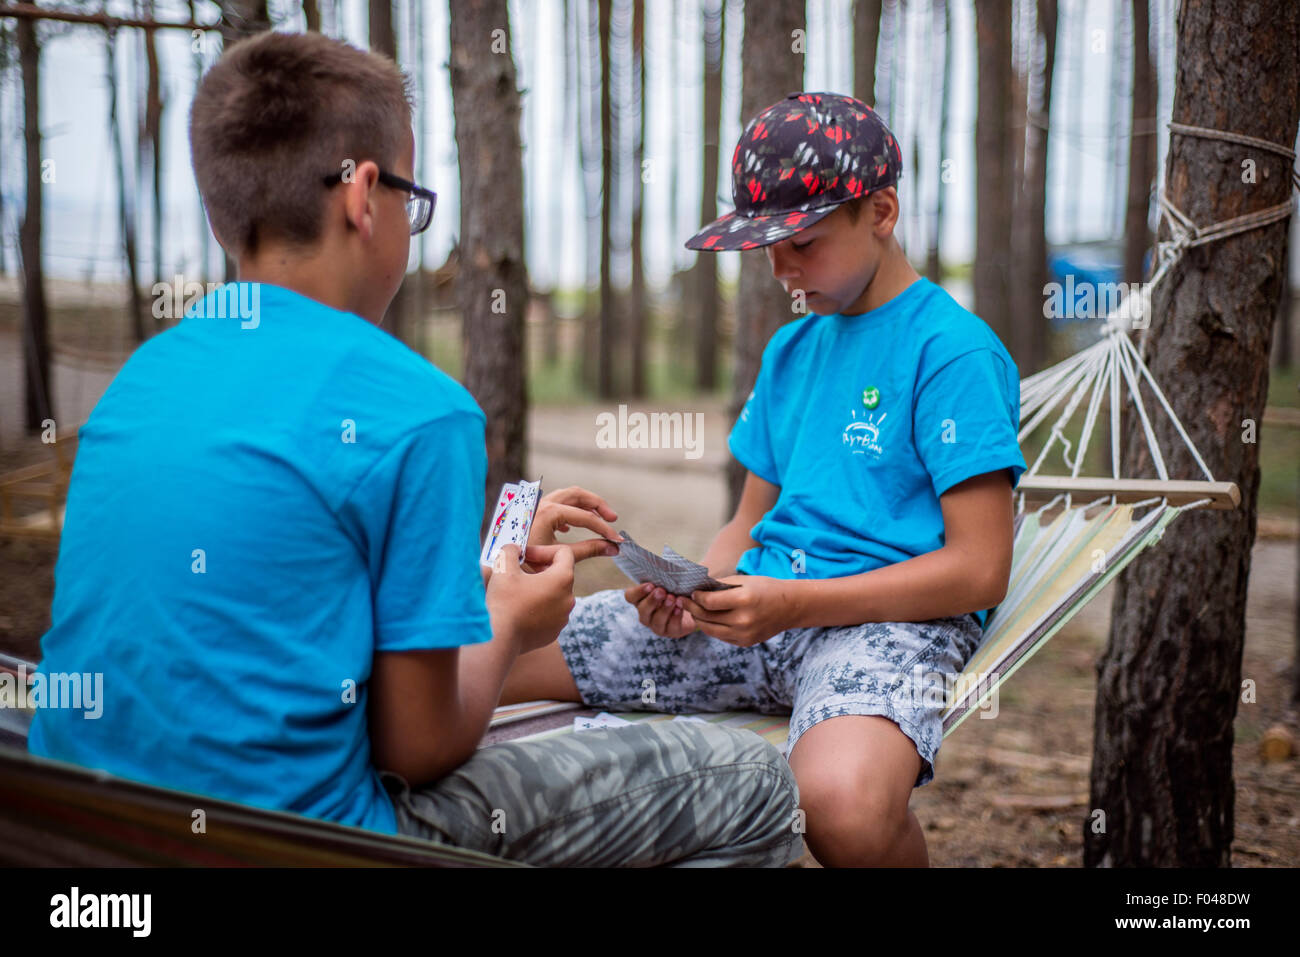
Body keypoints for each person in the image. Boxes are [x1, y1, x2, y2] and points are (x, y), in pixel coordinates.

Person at [25, 31, 801, 869]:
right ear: (364, 194)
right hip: (314, 842)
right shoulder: (417, 409)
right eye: (412, 198)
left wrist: (489, 565)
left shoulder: (141, 384)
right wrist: (507, 623)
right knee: (758, 782)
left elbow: (282, 601)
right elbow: (418, 746)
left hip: (89, 835)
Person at [502, 92, 1028, 867]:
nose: (780, 269)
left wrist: (796, 602)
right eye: (766, 249)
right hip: (760, 611)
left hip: (891, 626)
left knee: (841, 808)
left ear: (879, 211)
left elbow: (981, 568)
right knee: (481, 660)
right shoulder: (791, 352)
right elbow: (747, 525)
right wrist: (695, 590)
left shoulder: (952, 354)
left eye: (803, 244)